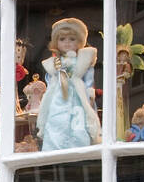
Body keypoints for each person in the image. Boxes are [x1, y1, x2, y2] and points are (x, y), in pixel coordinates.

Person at [36, 17, 101, 151]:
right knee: (56, 120)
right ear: (56, 42)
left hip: (76, 95)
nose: (67, 43)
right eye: (62, 39)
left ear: (80, 42)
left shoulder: (82, 61)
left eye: (72, 39)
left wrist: (90, 91)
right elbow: (50, 81)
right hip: (58, 98)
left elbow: (88, 78)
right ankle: (54, 146)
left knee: (78, 120)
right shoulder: (54, 63)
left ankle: (78, 146)